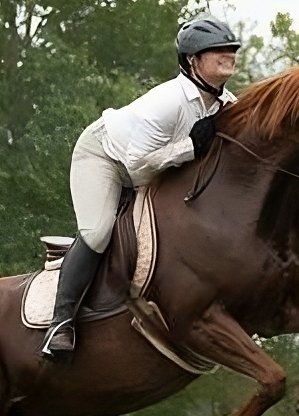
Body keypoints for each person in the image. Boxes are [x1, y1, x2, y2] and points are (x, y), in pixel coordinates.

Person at [40, 13, 241, 360]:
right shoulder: (169, 102)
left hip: (151, 172)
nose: (229, 53)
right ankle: (61, 323)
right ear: (193, 61)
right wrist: (190, 147)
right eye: (217, 49)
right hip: (106, 159)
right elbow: (135, 165)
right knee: (100, 231)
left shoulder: (227, 104)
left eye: (231, 48)